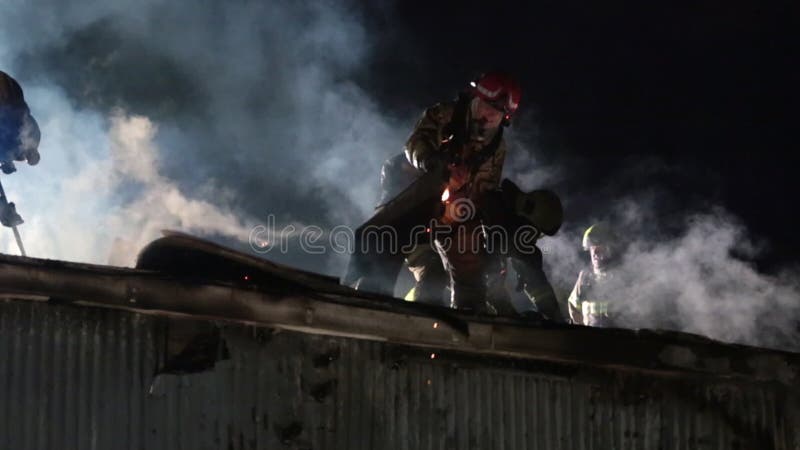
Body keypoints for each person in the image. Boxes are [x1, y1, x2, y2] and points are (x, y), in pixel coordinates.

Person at [343, 72, 521, 303]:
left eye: (497, 112)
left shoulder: (497, 147)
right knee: (389, 249)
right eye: (487, 106)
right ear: (475, 98)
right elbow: (415, 143)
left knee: (469, 270)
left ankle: (466, 315)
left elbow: (485, 191)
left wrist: (490, 238)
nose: (489, 115)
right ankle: (367, 304)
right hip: (416, 197)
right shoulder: (445, 115)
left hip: (455, 209)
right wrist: (433, 162)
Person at [567, 222, 627, 326]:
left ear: (610, 250)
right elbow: (574, 306)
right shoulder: (585, 277)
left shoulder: (623, 277)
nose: (594, 253)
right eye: (592, 248)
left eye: (599, 248)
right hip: (589, 335)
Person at [0, 70, 40, 174]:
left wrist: (6, 163)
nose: (29, 156)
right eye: (33, 156)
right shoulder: (34, 138)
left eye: (29, 158)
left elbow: (3, 151)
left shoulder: (16, 154)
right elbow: (29, 120)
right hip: (12, 110)